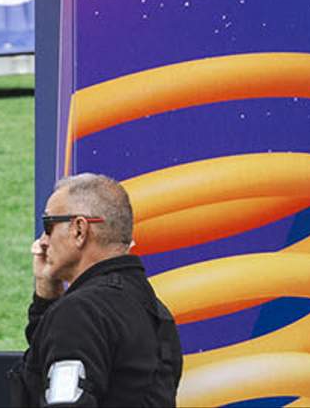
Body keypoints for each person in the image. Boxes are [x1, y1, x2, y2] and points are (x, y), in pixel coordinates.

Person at [11, 175, 182, 408]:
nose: (42, 241)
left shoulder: (80, 312)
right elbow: (49, 360)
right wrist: (46, 292)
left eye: (48, 226)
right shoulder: (152, 308)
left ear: (79, 230)